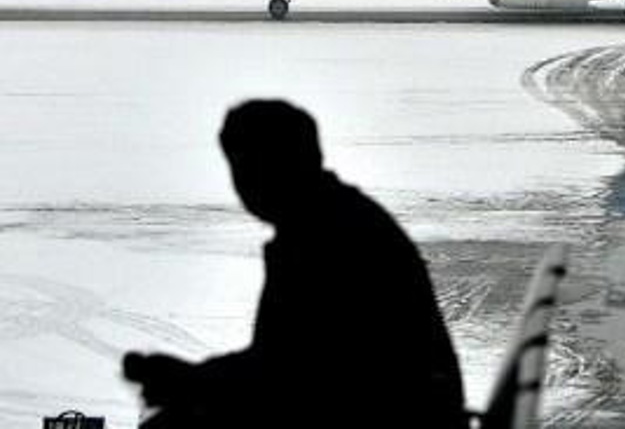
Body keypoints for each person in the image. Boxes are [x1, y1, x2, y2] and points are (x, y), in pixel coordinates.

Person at [124, 99, 465, 428]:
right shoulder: (334, 220)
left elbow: (293, 375)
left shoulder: (324, 237)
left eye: (252, 166)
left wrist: (193, 381)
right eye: (239, 169)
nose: (244, 184)